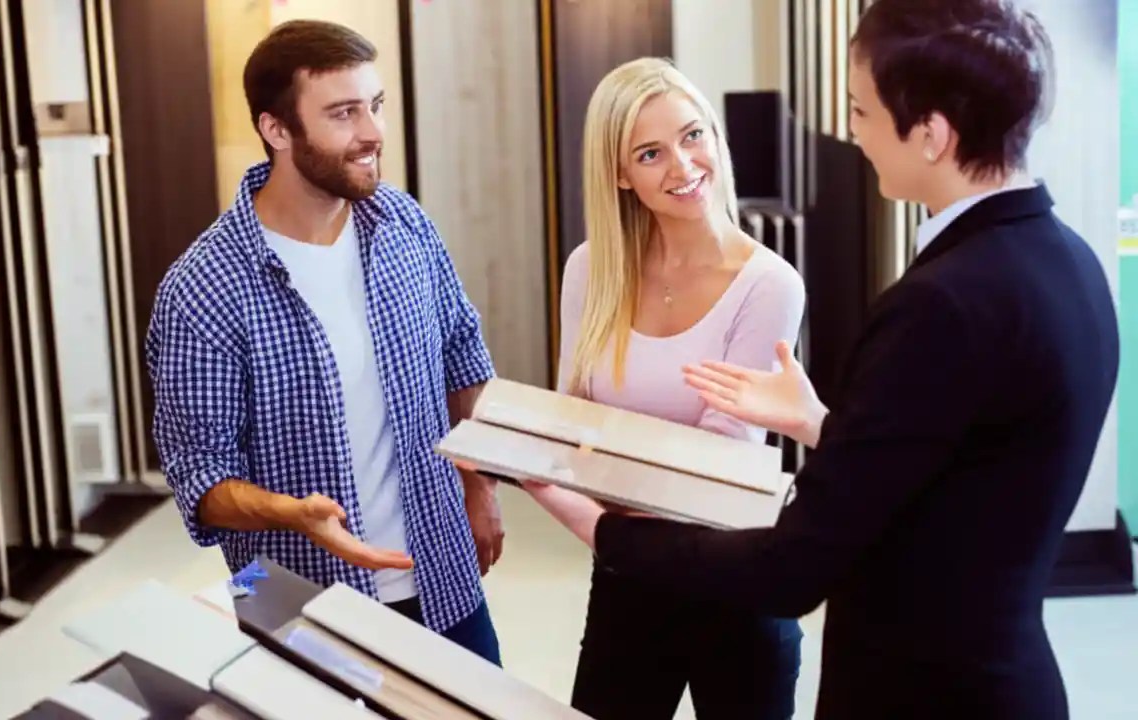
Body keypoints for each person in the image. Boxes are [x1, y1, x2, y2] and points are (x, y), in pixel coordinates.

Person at [525, 1, 1119, 718]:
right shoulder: (1071, 265)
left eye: (861, 112)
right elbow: (952, 481)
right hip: (997, 675)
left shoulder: (942, 304)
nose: (853, 136)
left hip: (928, 693)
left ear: (928, 134)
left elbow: (792, 568)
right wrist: (821, 425)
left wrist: (598, 523)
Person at [145, 19, 504, 664]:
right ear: (276, 130)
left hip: (444, 576)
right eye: (344, 113)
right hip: (294, 601)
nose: (374, 133)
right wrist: (291, 513)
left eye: (376, 106)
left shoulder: (403, 224)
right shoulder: (202, 287)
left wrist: (481, 490)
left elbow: (463, 357)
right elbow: (201, 476)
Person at [556, 58, 806, 720]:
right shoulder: (591, 271)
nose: (684, 165)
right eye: (650, 152)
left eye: (695, 136)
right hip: (628, 577)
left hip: (738, 577)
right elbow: (569, 423)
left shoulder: (770, 285)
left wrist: (602, 477)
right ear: (619, 174)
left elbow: (721, 463)